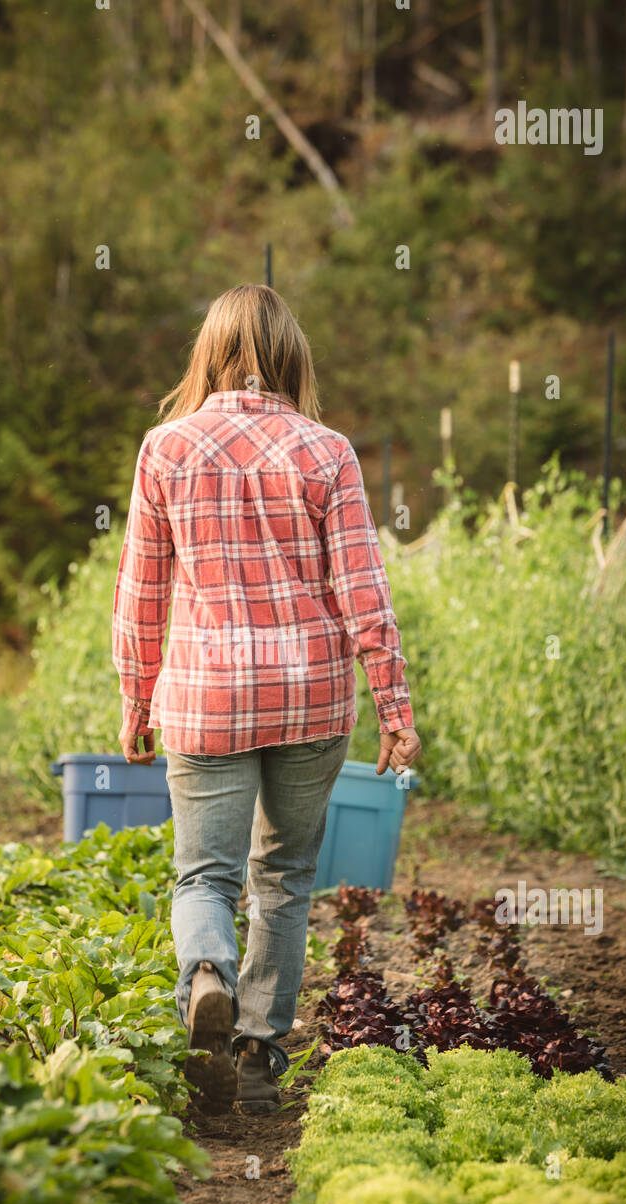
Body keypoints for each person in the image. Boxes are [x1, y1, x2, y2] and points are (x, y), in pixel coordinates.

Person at [112, 284, 420, 1115]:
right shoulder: (327, 452)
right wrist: (394, 709)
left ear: (207, 355)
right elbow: (363, 590)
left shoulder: (165, 449)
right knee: (282, 876)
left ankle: (206, 973)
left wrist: (136, 701)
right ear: (293, 357)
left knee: (202, 876)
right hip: (310, 696)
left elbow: (143, 593)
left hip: (207, 695)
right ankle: (257, 1050)